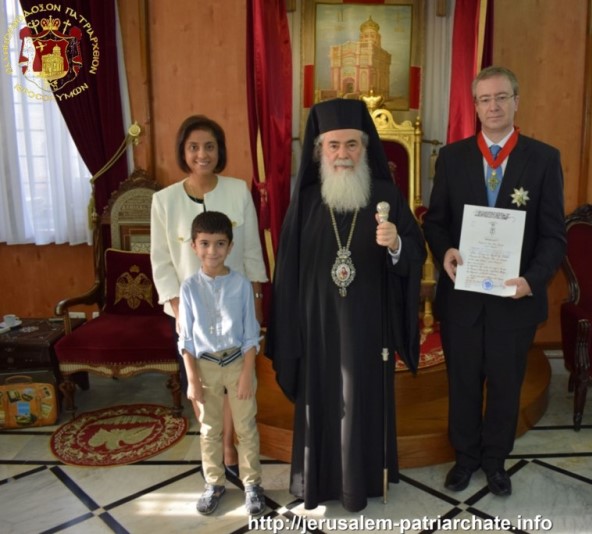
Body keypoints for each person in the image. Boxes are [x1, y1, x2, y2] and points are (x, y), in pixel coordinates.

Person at [267, 98, 426, 512]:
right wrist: (292, 329)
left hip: (369, 327)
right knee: (322, 401)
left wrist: (396, 246)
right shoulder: (304, 202)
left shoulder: (386, 195)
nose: (343, 154)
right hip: (317, 328)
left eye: (352, 145)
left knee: (361, 401)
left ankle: (365, 482)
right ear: (319, 150)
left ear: (365, 147)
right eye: (334, 146)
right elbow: (287, 273)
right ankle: (319, 482)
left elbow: (416, 254)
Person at [422, 66, 566, 497]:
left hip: (514, 300)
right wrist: (444, 251)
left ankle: (495, 461)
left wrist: (531, 280)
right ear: (476, 106)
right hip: (463, 299)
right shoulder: (452, 157)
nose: (493, 107)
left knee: (505, 386)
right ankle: (465, 459)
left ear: (516, 101)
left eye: (501, 97)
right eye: (484, 99)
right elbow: (436, 222)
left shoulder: (543, 159)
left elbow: (554, 236)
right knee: (463, 383)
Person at [150, 115, 268, 481]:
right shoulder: (164, 200)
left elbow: (250, 250)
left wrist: (258, 299)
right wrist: (177, 308)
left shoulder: (236, 190)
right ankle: (214, 445)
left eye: (210, 146)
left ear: (220, 151)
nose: (202, 154)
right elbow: (161, 260)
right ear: (183, 152)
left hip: (237, 308)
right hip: (191, 311)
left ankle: (230, 444)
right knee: (203, 387)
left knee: (236, 382)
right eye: (194, 147)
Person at [178, 211, 266, 516]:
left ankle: (252, 483)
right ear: (193, 246)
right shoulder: (189, 288)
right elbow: (186, 341)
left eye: (219, 244)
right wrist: (192, 380)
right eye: (204, 243)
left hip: (237, 364)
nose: (212, 251)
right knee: (209, 429)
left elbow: (250, 336)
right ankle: (214, 483)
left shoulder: (241, 285)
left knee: (245, 427)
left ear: (229, 247)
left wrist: (246, 374)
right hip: (204, 368)